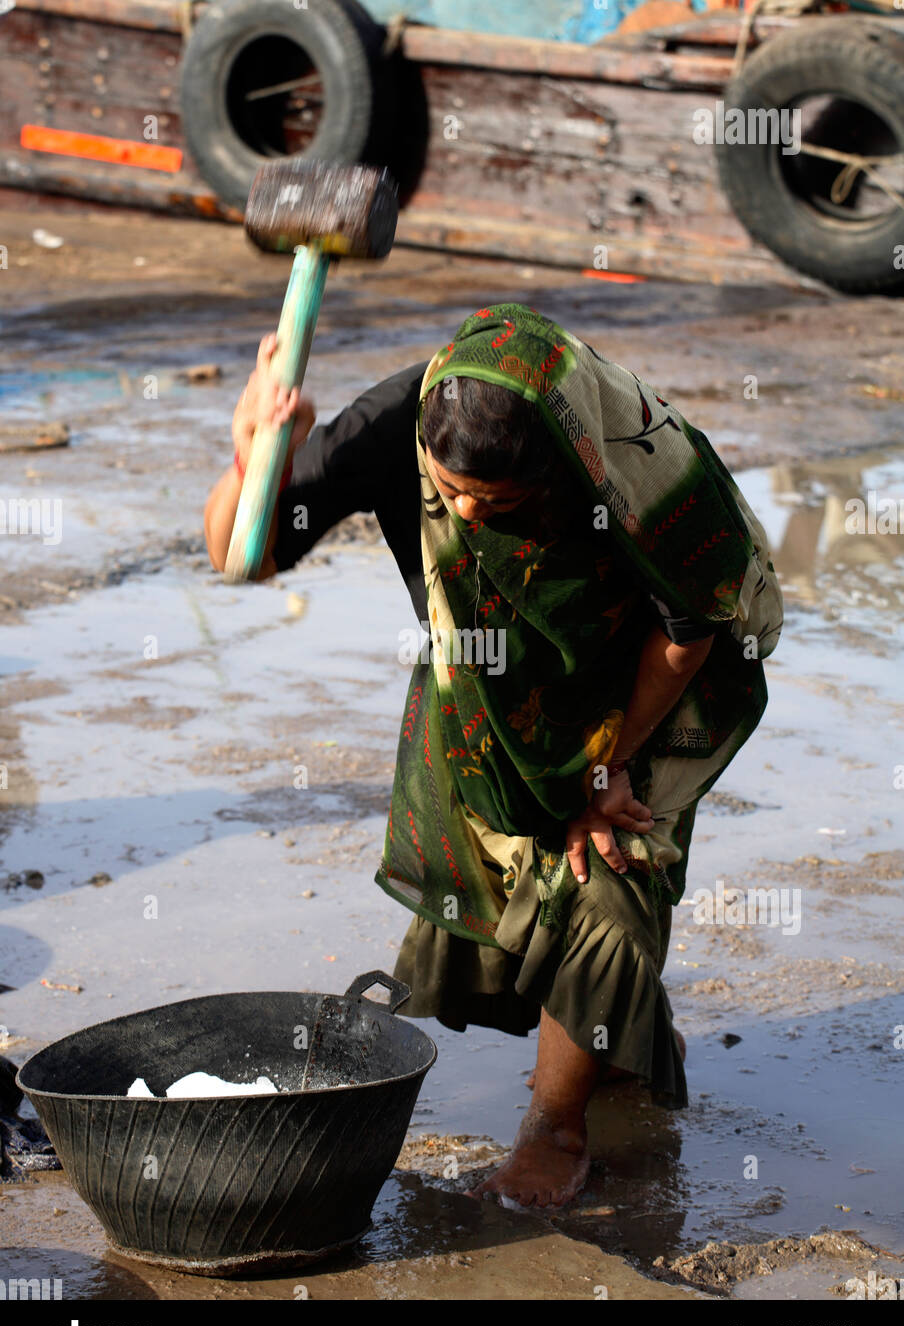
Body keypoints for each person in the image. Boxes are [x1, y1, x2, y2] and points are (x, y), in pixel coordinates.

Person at [205, 303, 783, 1208]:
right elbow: (243, 557)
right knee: (512, 883)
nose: (468, 512)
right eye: (451, 492)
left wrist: (606, 768)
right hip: (480, 704)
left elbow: (692, 626)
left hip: (636, 702)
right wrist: (254, 451)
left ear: (563, 458)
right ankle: (625, 1044)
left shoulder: (629, 454)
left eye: (500, 504)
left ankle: (555, 1134)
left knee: (607, 893)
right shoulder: (396, 420)